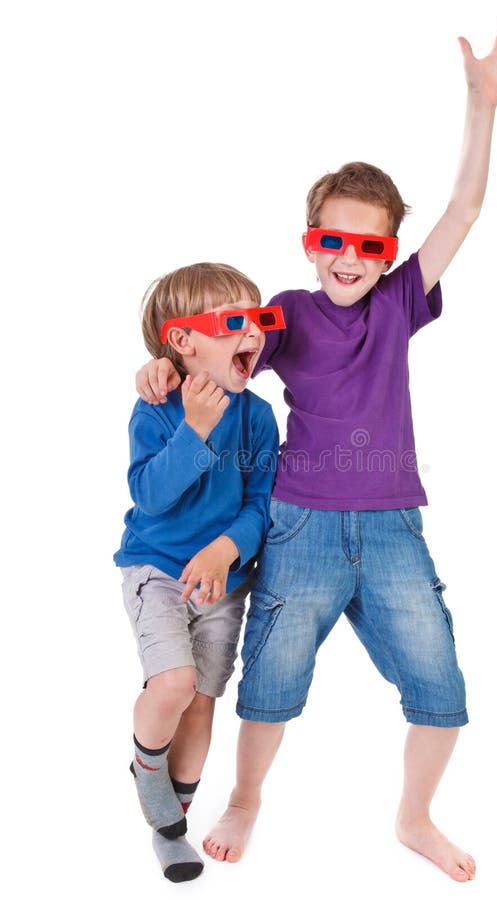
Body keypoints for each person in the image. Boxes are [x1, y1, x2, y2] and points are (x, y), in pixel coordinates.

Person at [136, 20, 497, 882]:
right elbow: (225, 351)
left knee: (442, 695)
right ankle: (245, 799)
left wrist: (481, 105)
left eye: (368, 244)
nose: (349, 258)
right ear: (309, 240)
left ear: (388, 252)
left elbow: (464, 209)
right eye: (333, 239)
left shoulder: (399, 302)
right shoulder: (284, 310)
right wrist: (162, 368)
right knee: (268, 692)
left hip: (394, 528)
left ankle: (414, 816)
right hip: (299, 530)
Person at [115, 262, 282, 881]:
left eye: (259, 320)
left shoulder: (259, 416)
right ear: (182, 342)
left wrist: (227, 550)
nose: (254, 333)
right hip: (155, 570)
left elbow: (261, 503)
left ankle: (172, 827)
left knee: (202, 703)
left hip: (223, 582)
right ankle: (149, 772)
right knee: (173, 685)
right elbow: (150, 496)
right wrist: (197, 428)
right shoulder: (156, 405)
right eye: (234, 322)